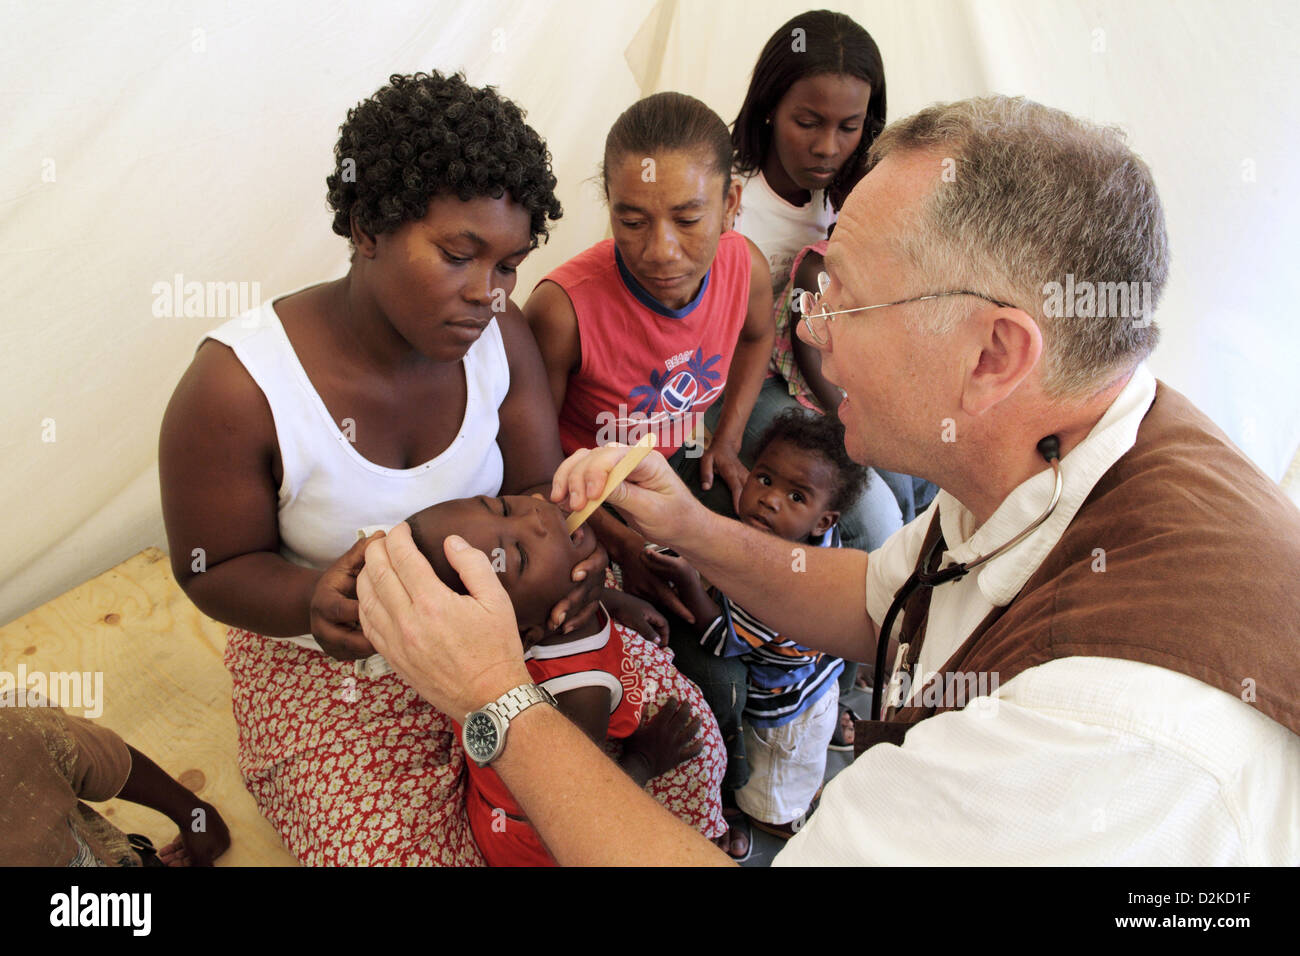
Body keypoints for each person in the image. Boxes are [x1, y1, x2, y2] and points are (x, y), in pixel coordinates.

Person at [356, 95, 1300, 866]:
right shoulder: (1072, 441)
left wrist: (493, 696)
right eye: (813, 281)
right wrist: (692, 523)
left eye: (846, 295)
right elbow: (878, 602)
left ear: (994, 355)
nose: (809, 327)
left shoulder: (1095, 745)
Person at [160, 70, 632, 865]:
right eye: (458, 255)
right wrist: (315, 599)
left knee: (662, 766)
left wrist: (576, 566)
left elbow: (533, 497)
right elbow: (213, 568)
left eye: (509, 265)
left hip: (504, 633)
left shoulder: (502, 338)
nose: (488, 294)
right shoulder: (237, 389)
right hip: (328, 662)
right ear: (365, 226)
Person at [525, 91, 774, 624]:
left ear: (730, 203)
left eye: (688, 219)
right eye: (633, 221)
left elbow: (758, 337)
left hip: (684, 453)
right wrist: (620, 545)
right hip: (598, 496)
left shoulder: (744, 267)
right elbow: (531, 464)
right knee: (708, 664)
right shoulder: (562, 311)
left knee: (802, 561)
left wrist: (727, 439)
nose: (660, 250)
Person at [398, 493, 723, 865]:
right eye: (520, 555)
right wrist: (646, 760)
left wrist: (608, 600)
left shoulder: (542, 610)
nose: (534, 517)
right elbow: (583, 798)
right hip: (537, 838)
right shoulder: (579, 687)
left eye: (502, 506)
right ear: (528, 634)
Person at [647, 409, 867, 857]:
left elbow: (721, 641)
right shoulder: (818, 543)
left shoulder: (780, 583)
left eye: (796, 496)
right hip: (817, 677)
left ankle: (770, 817)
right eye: (764, 479)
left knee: (774, 786)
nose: (769, 500)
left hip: (784, 710)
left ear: (824, 520)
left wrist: (690, 580)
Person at [0, 703, 231, 866]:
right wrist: (195, 816)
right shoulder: (15, 730)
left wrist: (196, 817)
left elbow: (89, 755)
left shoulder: (15, 732)